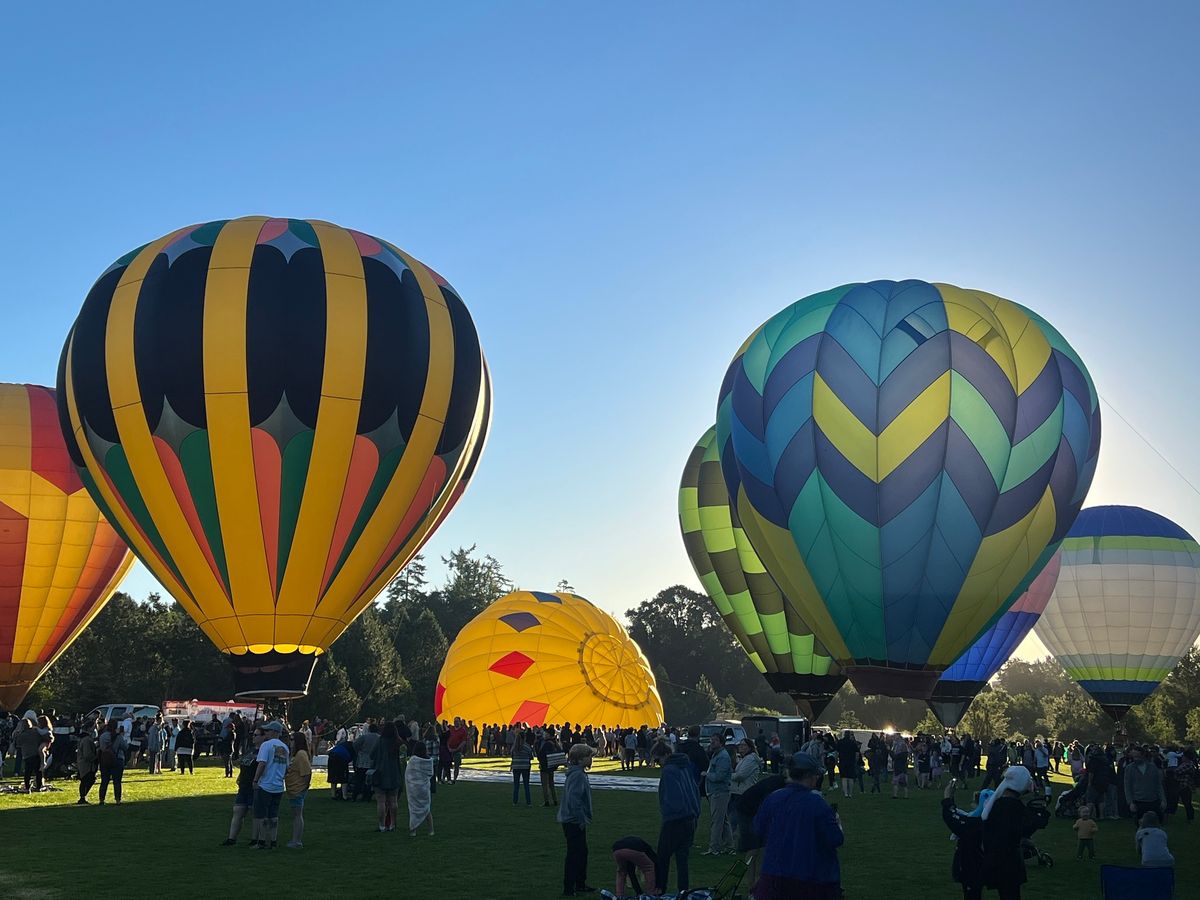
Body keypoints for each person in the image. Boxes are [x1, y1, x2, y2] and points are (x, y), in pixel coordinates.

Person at [752, 751, 843, 899]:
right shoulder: (817, 803)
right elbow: (835, 839)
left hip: (773, 875)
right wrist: (837, 823)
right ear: (809, 776)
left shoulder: (773, 798)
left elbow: (759, 829)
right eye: (816, 775)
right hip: (810, 879)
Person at [653, 743, 701, 894]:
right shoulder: (685, 767)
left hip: (675, 819)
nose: (658, 764)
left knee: (662, 856)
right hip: (690, 818)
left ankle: (660, 888)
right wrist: (695, 812)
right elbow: (694, 790)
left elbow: (673, 797)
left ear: (666, 755)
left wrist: (668, 813)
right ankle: (683, 890)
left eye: (658, 760)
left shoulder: (669, 770)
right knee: (682, 858)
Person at [981, 764, 1033, 900]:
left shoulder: (997, 804)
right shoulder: (1013, 807)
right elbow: (1024, 829)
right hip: (1008, 859)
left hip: (995, 857)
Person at [940, 779, 991, 900]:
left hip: (972, 867)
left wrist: (947, 797)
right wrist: (951, 798)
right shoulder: (988, 822)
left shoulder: (975, 825)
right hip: (981, 866)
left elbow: (954, 819)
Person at [557, 743, 595, 897]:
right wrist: (581, 819)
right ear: (580, 759)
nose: (591, 759)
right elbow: (574, 799)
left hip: (572, 819)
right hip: (573, 820)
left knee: (581, 852)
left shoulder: (576, 773)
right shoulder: (578, 775)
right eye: (589, 757)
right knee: (575, 854)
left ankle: (579, 883)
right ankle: (569, 887)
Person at [221, 725, 264, 845]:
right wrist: (240, 776)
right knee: (238, 810)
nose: (253, 737)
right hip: (243, 785)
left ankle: (255, 839)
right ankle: (231, 839)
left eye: (256, 735)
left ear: (263, 737)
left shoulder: (263, 751)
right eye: (253, 735)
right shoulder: (250, 750)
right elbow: (245, 765)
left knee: (255, 813)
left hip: (254, 786)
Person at [251, 720, 290, 849]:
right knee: (274, 815)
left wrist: (255, 780)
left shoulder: (266, 745)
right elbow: (287, 768)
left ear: (274, 732)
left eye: (267, 731)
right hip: (278, 786)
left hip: (266, 785)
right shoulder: (284, 747)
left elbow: (262, 763)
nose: (266, 733)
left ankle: (261, 841)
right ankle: (273, 841)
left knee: (262, 815)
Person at [702, 731, 733, 856]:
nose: (711, 742)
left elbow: (720, 776)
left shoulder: (723, 757)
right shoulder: (717, 754)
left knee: (717, 821)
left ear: (721, 743)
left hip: (719, 792)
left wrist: (707, 774)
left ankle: (714, 848)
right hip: (715, 791)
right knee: (723, 820)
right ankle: (729, 846)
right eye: (711, 740)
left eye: (714, 740)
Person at [370, 722, 403, 832]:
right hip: (394, 774)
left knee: (381, 801)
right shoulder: (398, 743)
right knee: (393, 801)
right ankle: (392, 824)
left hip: (380, 774)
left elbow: (371, 755)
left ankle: (382, 825)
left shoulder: (380, 741)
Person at [1124, 745, 1166, 822]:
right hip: (1138, 802)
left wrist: (1163, 800)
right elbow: (1127, 786)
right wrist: (1130, 803)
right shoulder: (1129, 768)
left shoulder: (1152, 767)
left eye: (1138, 756)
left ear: (1143, 755)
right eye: (1134, 756)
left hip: (1153, 801)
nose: (1135, 759)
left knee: (1156, 824)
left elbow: (1158, 785)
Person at [285, 731, 312, 848]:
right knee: (295, 814)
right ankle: (295, 839)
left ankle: (297, 841)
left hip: (298, 789)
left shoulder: (301, 754)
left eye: (292, 740)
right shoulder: (296, 754)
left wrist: (303, 787)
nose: (290, 742)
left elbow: (307, 773)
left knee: (297, 815)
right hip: (293, 788)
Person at [405, 741, 435, 836]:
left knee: (413, 809)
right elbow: (430, 773)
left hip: (414, 788)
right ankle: (431, 830)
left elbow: (408, 773)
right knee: (426, 809)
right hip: (424, 788)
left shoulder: (413, 760)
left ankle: (413, 830)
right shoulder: (429, 761)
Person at [97, 719, 129, 805]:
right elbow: (125, 747)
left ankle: (101, 799)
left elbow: (101, 748)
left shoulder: (103, 736)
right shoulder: (118, 737)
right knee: (117, 781)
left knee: (104, 781)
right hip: (117, 759)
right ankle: (118, 800)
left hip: (105, 760)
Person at [75, 721, 99, 804]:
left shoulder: (84, 738)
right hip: (86, 764)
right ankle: (82, 797)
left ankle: (83, 797)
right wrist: (96, 756)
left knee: (88, 780)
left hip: (83, 763)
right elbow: (87, 754)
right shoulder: (87, 740)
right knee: (86, 780)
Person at [511, 729, 534, 806]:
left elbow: (512, 755)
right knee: (526, 785)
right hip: (525, 767)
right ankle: (528, 802)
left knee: (516, 785)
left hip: (516, 766)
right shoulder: (527, 747)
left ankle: (515, 801)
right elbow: (531, 756)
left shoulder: (514, 747)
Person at [538, 729, 561, 807]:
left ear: (548, 734)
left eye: (545, 733)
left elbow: (541, 755)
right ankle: (555, 800)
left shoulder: (547, 744)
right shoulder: (554, 743)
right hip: (551, 766)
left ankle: (546, 801)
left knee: (545, 785)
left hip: (545, 766)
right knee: (551, 784)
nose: (544, 735)